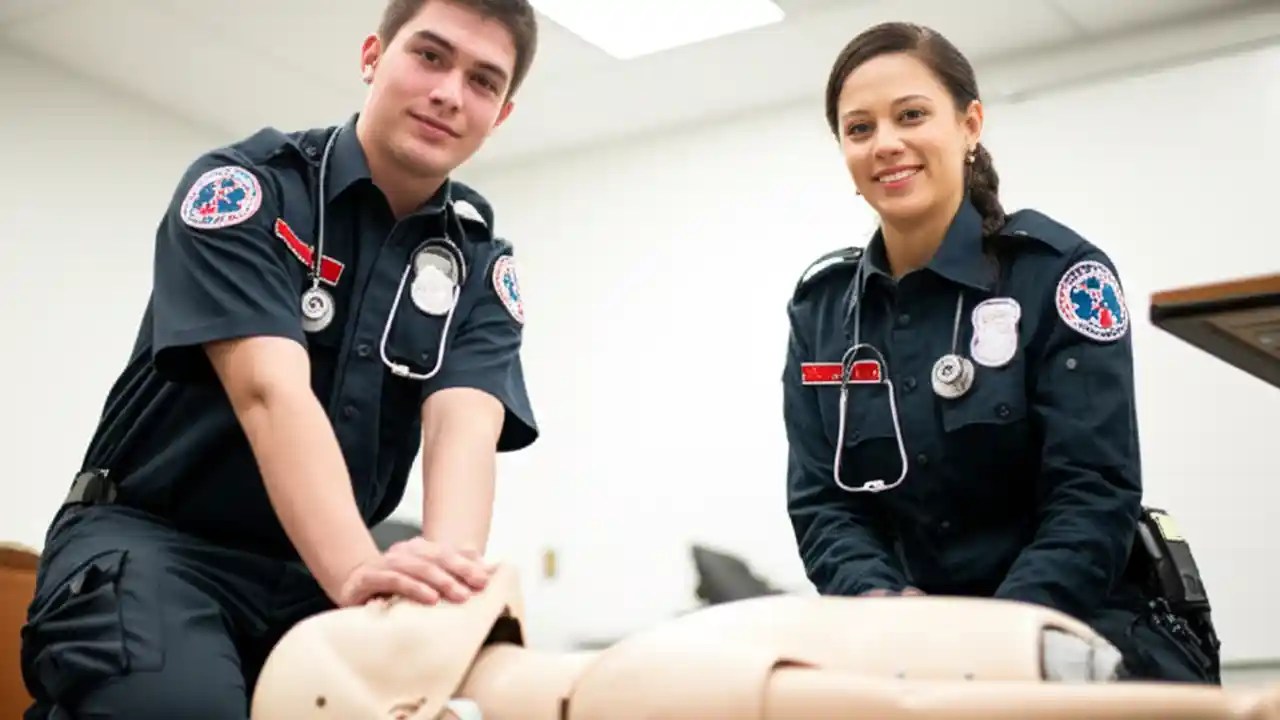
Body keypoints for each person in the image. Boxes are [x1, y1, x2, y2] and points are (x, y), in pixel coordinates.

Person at [19, 0, 540, 717]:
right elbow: (270, 393)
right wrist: (360, 568)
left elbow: (462, 432)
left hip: (317, 586)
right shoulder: (248, 190)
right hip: (159, 546)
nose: (450, 93)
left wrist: (437, 613)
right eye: (429, 55)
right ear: (371, 57)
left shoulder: (479, 271)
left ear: (501, 115)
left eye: (484, 81)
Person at [782, 21, 1218, 684]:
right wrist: (884, 609)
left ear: (970, 124)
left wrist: (996, 641)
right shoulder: (823, 310)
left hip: (1078, 623)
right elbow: (825, 507)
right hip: (911, 645)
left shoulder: (1059, 274)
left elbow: (1092, 493)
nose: (887, 144)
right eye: (860, 128)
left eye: (912, 115)